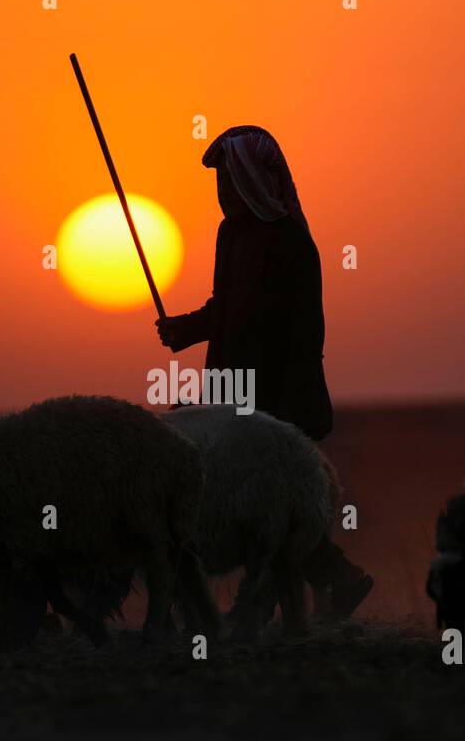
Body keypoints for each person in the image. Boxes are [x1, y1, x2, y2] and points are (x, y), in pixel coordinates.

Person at [156, 125, 373, 618]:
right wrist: (185, 330)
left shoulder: (291, 242)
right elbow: (227, 306)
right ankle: (334, 581)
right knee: (253, 496)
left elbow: (290, 328)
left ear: (254, 179)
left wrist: (264, 406)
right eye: (219, 183)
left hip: (277, 393)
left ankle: (277, 599)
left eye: (230, 181)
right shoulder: (230, 234)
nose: (222, 192)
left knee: (270, 499)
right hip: (232, 389)